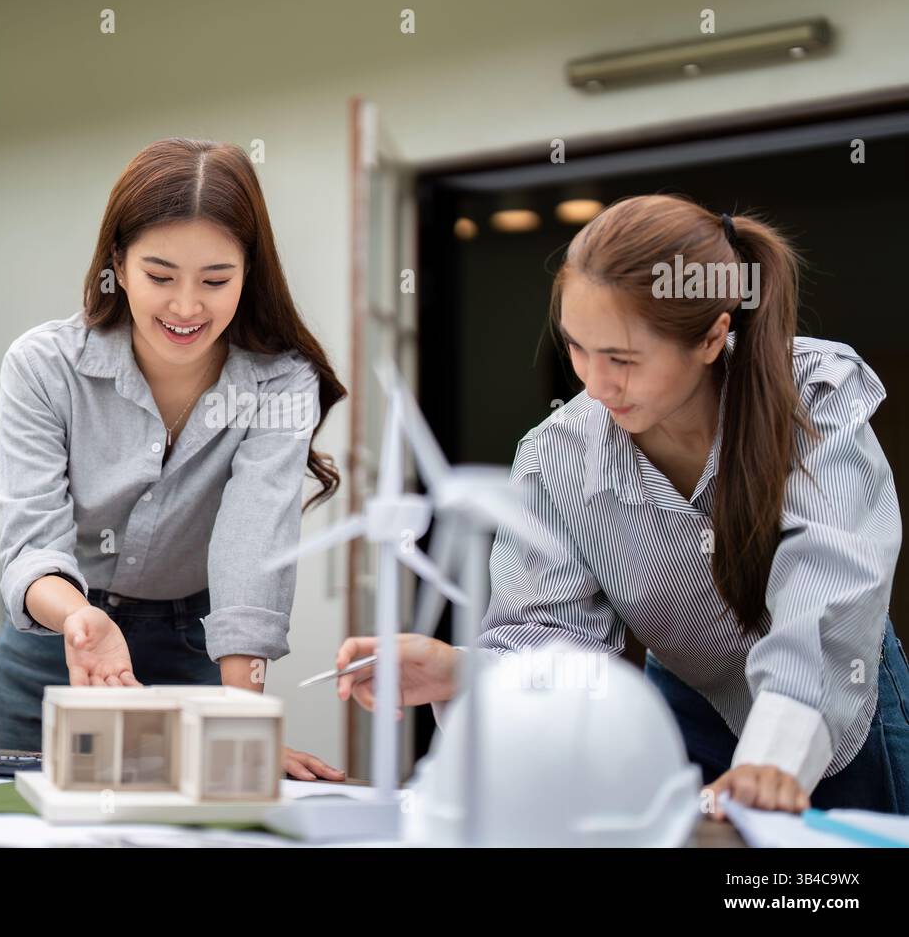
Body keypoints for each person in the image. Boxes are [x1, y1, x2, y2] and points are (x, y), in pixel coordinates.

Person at [333, 194, 909, 817]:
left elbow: (825, 598)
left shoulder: (814, 398)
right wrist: (460, 671)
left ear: (714, 336)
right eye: (577, 348)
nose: (595, 383)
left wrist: (772, 757)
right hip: (689, 701)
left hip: (835, 706)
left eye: (623, 359)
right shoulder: (558, 455)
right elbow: (553, 639)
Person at [0, 137, 347, 781]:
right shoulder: (43, 368)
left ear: (250, 272)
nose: (186, 307)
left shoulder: (282, 383)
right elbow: (31, 545)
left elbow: (252, 542)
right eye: (159, 277)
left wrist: (240, 727)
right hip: (60, 643)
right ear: (118, 266)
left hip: (197, 648)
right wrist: (80, 620)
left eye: (216, 280)